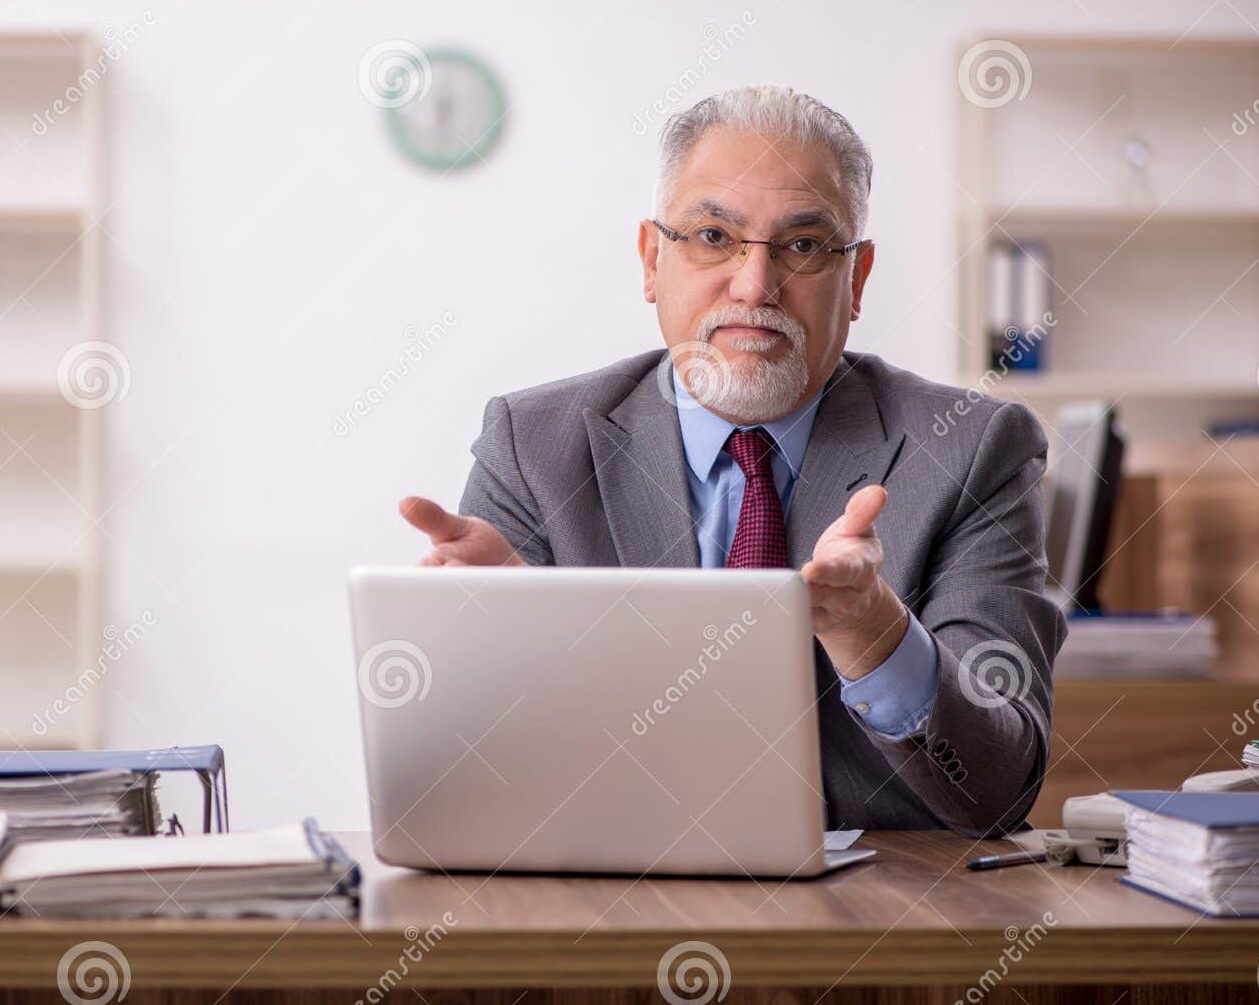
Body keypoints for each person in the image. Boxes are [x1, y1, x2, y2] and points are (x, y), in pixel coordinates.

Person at [398, 85, 1064, 837]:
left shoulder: (974, 449)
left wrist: (874, 637)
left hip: (882, 901)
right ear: (652, 260)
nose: (755, 286)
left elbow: (1000, 790)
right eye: (713, 235)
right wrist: (511, 658)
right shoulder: (533, 446)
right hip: (617, 891)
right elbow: (476, 794)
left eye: (803, 246)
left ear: (857, 280)